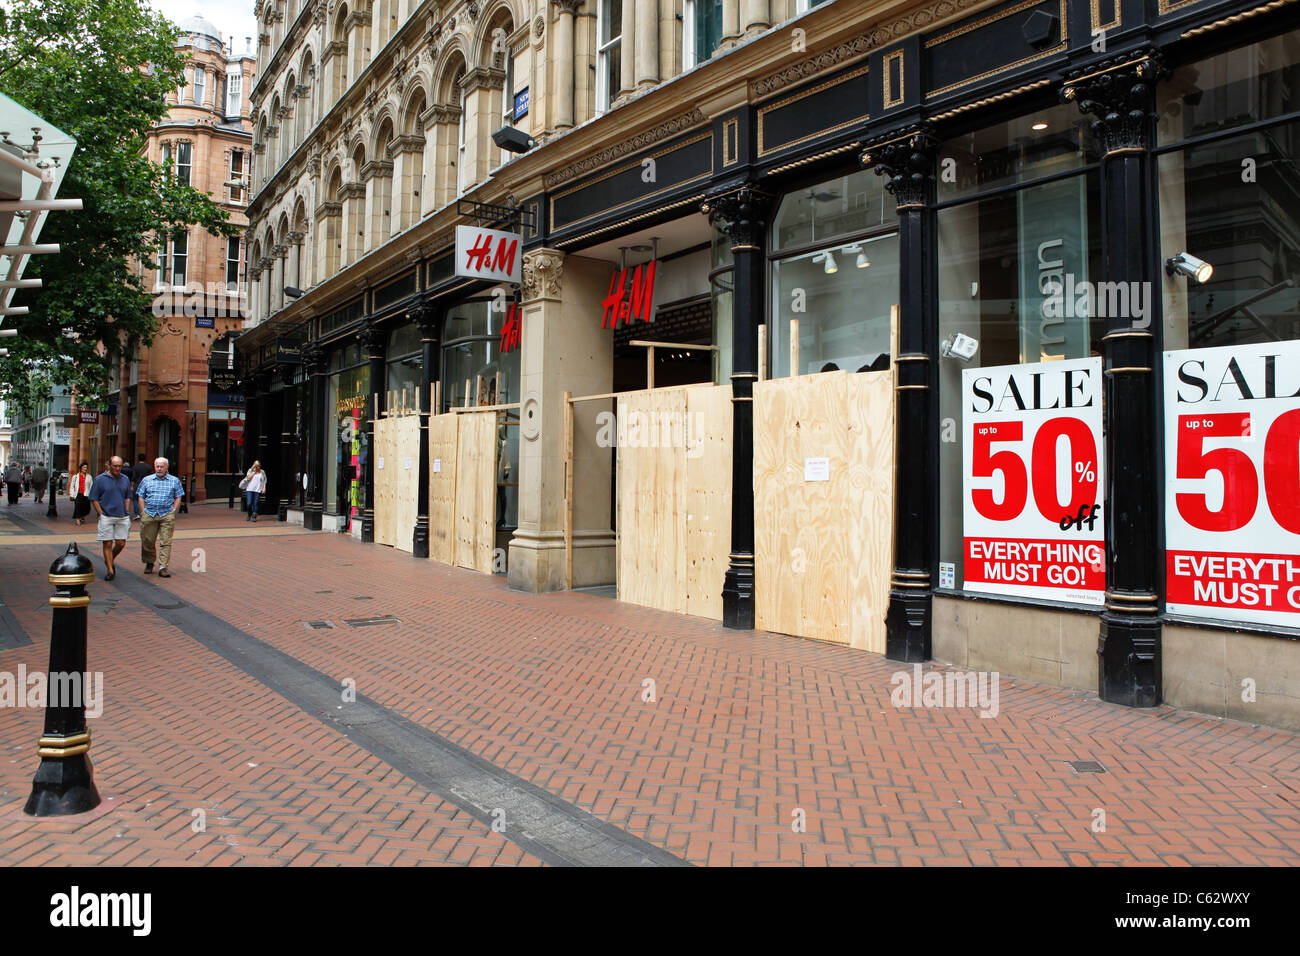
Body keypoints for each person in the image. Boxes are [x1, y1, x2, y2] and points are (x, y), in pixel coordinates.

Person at [136, 457, 184, 578]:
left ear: (166, 467)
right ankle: (149, 562)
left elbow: (178, 496)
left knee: (166, 541)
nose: (159, 468)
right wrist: (142, 512)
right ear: (154, 466)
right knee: (147, 540)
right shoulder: (147, 480)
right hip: (150, 513)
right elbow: (140, 496)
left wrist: (173, 510)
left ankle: (163, 567)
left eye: (162, 466)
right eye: (157, 466)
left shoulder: (174, 480)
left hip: (166, 514)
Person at [89, 456, 132, 580]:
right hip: (107, 516)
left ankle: (110, 559)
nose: (118, 469)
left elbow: (127, 496)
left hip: (122, 516)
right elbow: (94, 498)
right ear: (109, 465)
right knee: (107, 543)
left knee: (121, 543)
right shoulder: (100, 479)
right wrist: (101, 513)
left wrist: (127, 509)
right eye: (115, 466)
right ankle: (110, 570)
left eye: (120, 466)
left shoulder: (125, 479)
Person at [131, 454, 149, 519]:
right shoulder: (148, 467)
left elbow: (133, 477)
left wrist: (132, 486)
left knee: (135, 499)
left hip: (137, 484)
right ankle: (146, 513)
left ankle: (137, 514)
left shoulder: (135, 467)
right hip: (146, 485)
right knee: (146, 499)